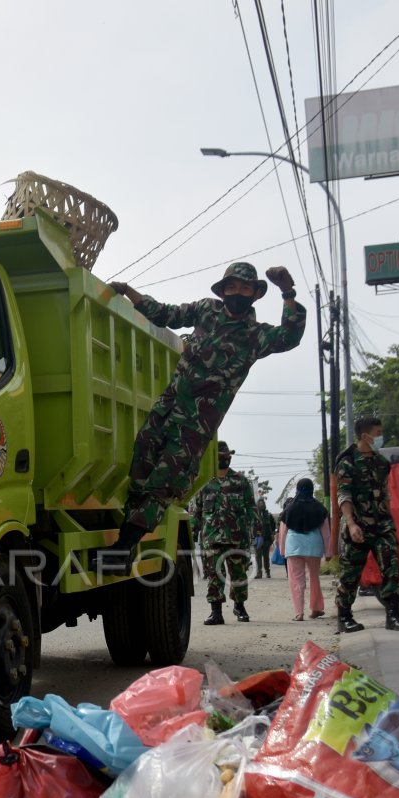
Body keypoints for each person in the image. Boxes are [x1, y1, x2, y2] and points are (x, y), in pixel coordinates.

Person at [90, 262, 306, 574]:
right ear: (223, 291)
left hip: (196, 425)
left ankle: (124, 547)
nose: (237, 294)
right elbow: (166, 315)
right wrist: (127, 292)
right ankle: (128, 538)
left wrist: (287, 292)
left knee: (163, 483)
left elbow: (290, 336)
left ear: (256, 294)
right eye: (231, 288)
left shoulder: (256, 336)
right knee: (140, 467)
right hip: (168, 406)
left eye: (245, 289)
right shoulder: (206, 310)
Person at [335, 413, 399, 633]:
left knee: (392, 568)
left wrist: (389, 514)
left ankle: (393, 615)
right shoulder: (348, 462)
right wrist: (351, 524)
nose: (381, 437)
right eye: (378, 434)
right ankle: (345, 616)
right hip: (358, 525)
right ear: (365, 435)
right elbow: (344, 495)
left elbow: (384, 491)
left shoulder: (381, 463)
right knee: (351, 573)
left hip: (382, 525)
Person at [191, 441, 257, 624]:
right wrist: (191, 531)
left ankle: (240, 607)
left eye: (227, 456)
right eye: (221, 457)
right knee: (214, 575)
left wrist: (255, 531)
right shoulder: (204, 483)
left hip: (237, 538)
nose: (225, 459)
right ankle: (216, 612)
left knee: (239, 574)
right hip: (211, 538)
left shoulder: (241, 481)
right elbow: (196, 512)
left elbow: (251, 508)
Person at [277, 478, 330, 621]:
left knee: (296, 581)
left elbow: (283, 531)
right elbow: (326, 533)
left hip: (294, 547)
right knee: (314, 578)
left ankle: (299, 613)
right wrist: (329, 552)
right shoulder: (320, 508)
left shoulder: (289, 508)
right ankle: (316, 609)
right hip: (314, 547)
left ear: (297, 490)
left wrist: (282, 550)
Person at [253, 497, 276, 579]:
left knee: (266, 556)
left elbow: (273, 526)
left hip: (266, 539)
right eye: (259, 503)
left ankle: (267, 571)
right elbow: (250, 526)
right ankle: (259, 572)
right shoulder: (254, 515)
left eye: (262, 503)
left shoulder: (268, 515)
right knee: (258, 556)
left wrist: (272, 534)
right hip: (257, 538)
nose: (261, 504)